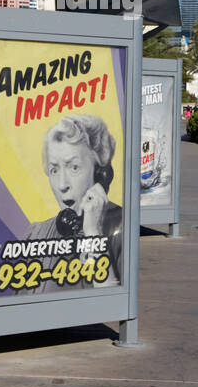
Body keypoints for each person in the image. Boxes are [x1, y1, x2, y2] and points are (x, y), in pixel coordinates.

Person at [11, 115, 123, 292]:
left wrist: (93, 233)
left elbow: (109, 302)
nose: (62, 185)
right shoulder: (37, 234)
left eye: (74, 167)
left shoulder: (119, 227)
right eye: (54, 170)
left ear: (100, 173)